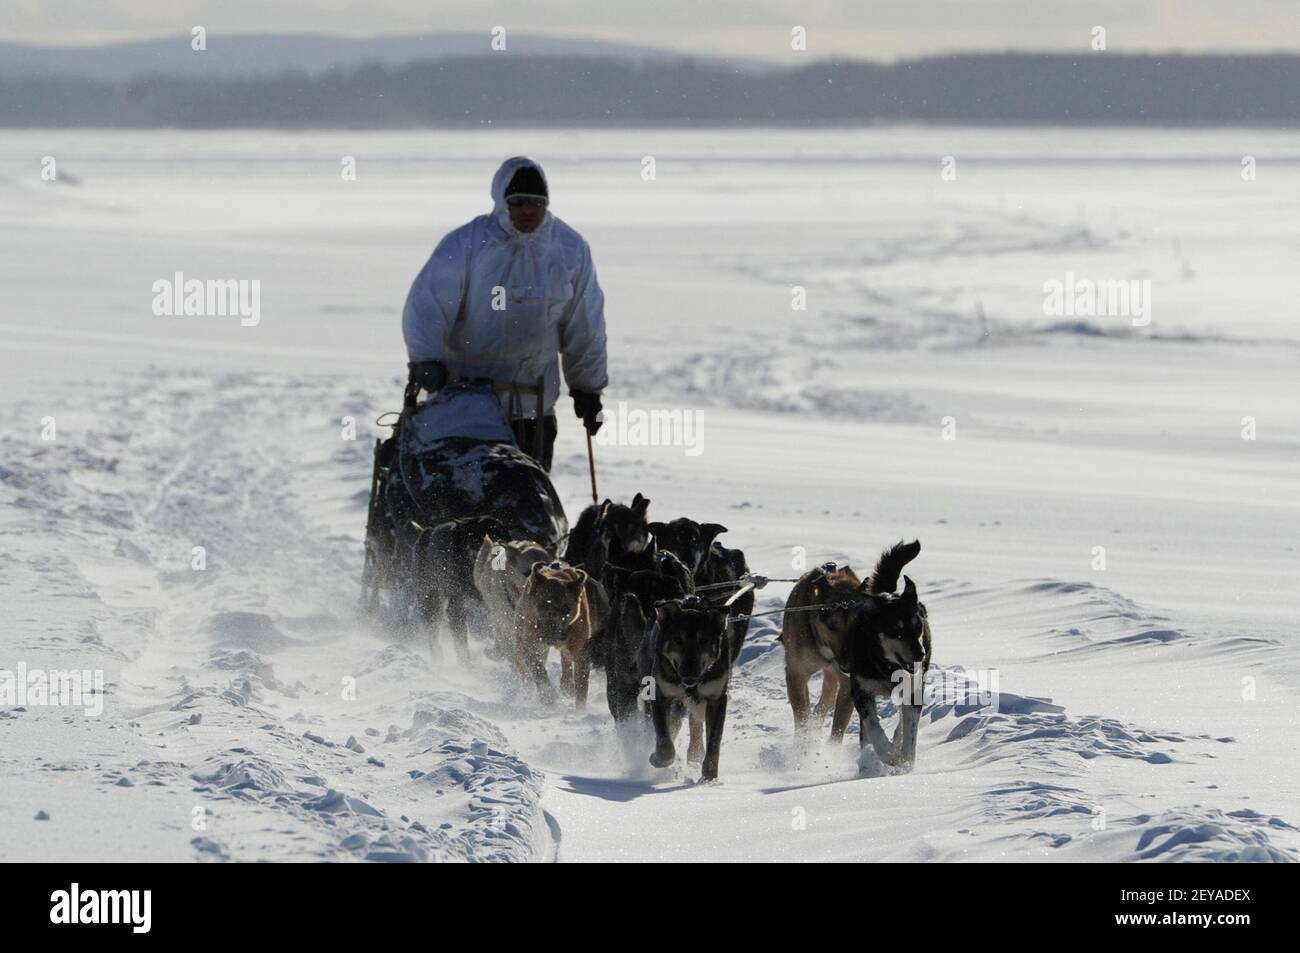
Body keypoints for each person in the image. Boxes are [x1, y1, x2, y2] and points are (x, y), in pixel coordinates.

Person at [401, 156, 607, 471]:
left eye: (536, 202)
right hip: (466, 406)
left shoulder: (569, 249)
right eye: (518, 201)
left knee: (525, 502)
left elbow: (584, 324)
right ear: (502, 202)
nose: (528, 210)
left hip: (533, 410)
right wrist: (427, 360)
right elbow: (427, 304)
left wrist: (587, 388)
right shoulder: (467, 243)